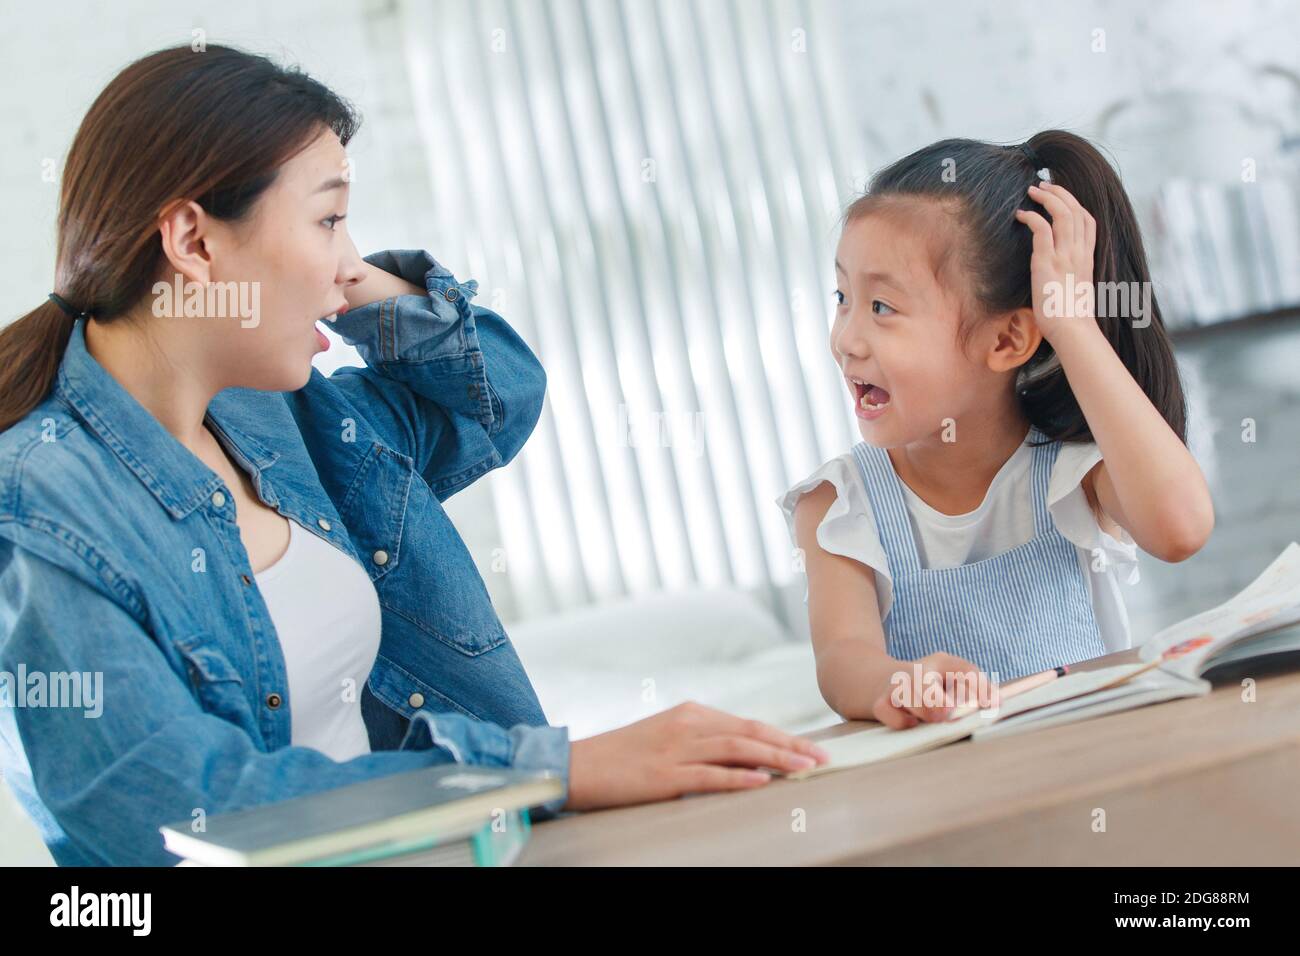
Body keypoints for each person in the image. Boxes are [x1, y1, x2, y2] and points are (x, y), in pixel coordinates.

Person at [0, 43, 827, 867]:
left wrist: (349, 283)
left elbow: (498, 397)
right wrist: (553, 770)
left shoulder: (281, 419)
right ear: (193, 239)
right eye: (327, 219)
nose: (346, 258)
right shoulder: (41, 505)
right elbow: (181, 810)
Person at [779, 131, 1214, 729]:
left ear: (1007, 340)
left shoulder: (1071, 474)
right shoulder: (840, 506)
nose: (846, 339)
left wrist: (1071, 326)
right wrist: (900, 682)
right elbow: (842, 660)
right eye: (842, 297)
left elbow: (1181, 530)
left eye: (882, 307)